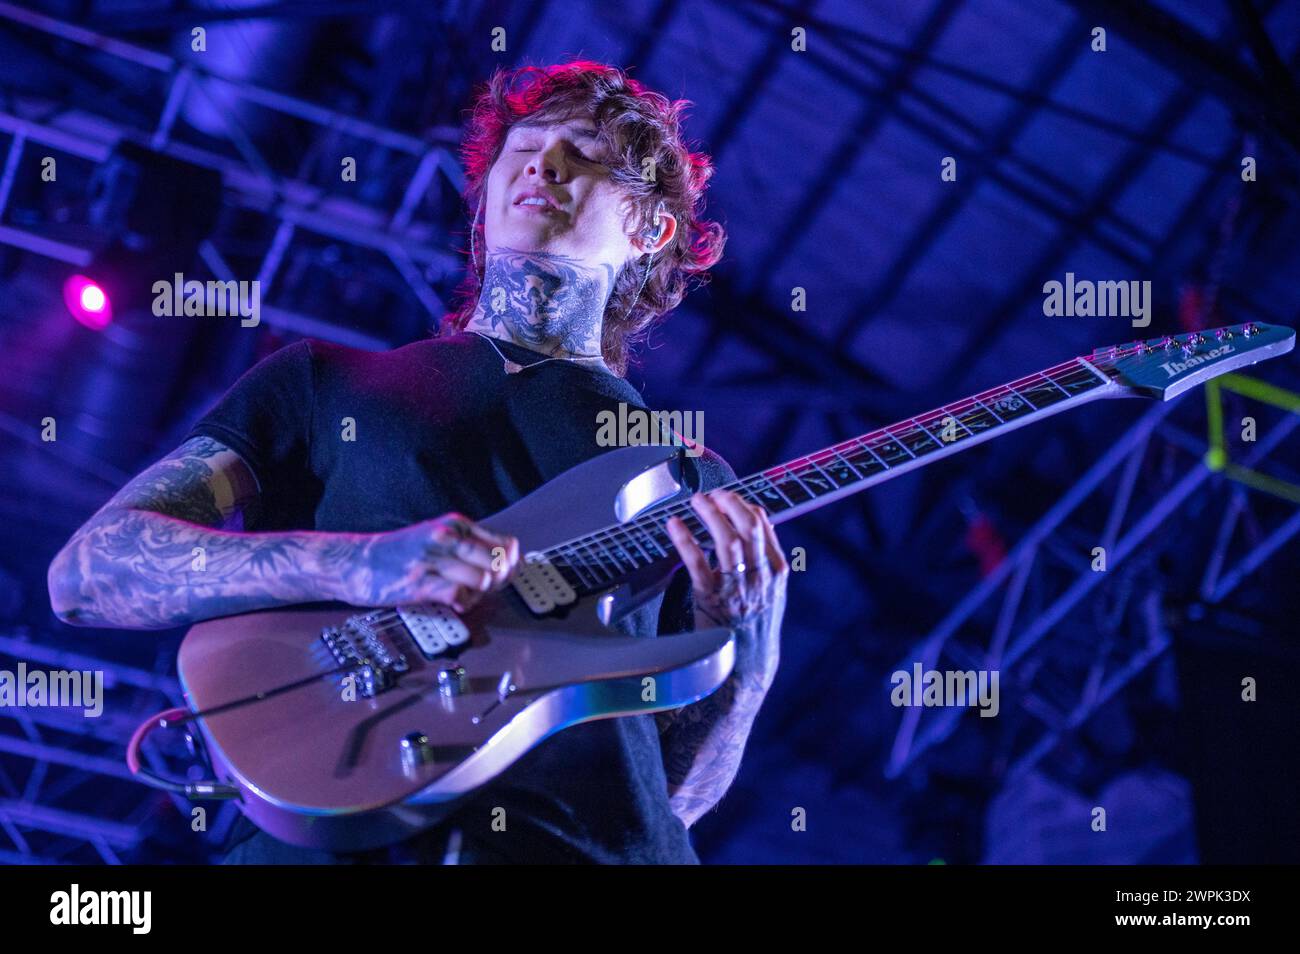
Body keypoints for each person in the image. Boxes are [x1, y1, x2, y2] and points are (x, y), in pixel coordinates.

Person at [47, 60, 789, 864]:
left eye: (586, 154)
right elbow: (89, 572)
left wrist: (749, 661)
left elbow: (676, 796)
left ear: (651, 229)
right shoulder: (321, 382)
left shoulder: (689, 485)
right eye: (525, 148)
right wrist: (363, 566)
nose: (544, 164)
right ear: (484, 198)